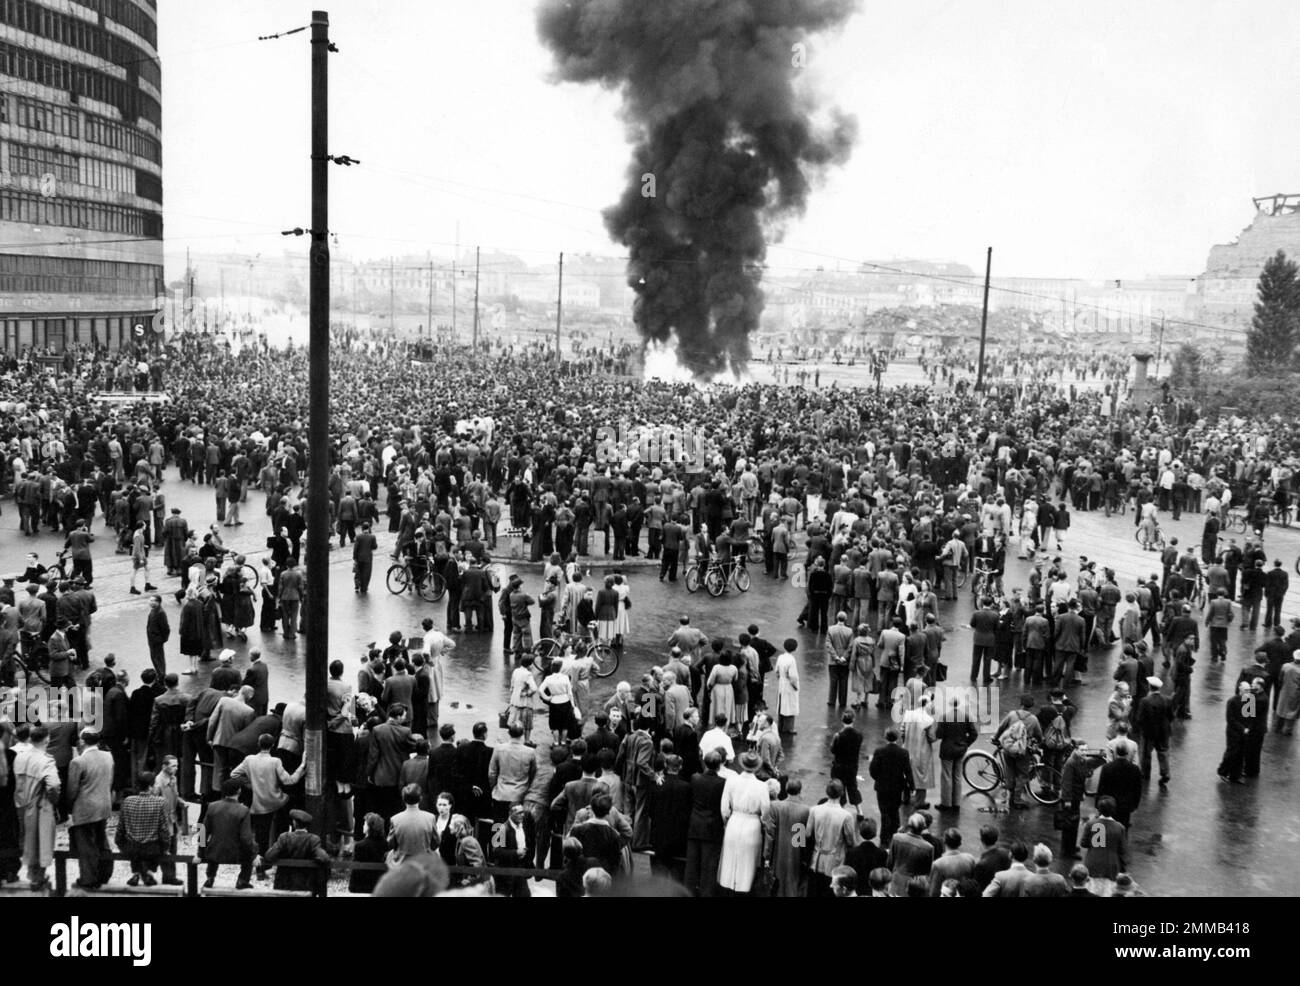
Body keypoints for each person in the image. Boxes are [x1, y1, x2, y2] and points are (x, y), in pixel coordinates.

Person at [67, 729, 115, 889]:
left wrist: (69, 807)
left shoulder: (78, 762)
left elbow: (72, 790)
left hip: (85, 808)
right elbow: (110, 780)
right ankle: (104, 874)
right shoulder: (108, 756)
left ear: (82, 741)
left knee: (86, 846)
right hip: (104, 805)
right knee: (102, 841)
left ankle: (88, 879)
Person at [717, 751, 770, 894]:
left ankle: (727, 886)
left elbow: (724, 808)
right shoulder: (762, 786)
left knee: (730, 856)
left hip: (734, 820)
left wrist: (726, 821)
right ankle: (744, 888)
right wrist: (763, 823)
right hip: (752, 823)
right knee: (748, 861)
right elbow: (766, 810)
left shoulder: (731, 781)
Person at [115, 772, 172, 887]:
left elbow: (121, 828)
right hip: (152, 848)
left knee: (135, 846)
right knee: (155, 846)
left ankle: (136, 873)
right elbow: (164, 830)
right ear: (150, 787)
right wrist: (166, 847)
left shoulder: (127, 801)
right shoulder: (160, 802)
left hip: (131, 847)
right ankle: (149, 873)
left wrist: (121, 845)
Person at [806, 779, 861, 897]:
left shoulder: (814, 809)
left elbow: (807, 834)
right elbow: (851, 841)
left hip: (816, 859)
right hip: (835, 861)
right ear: (842, 793)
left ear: (827, 792)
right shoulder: (846, 816)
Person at [201, 778, 259, 889]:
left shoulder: (212, 806)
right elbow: (246, 838)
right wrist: (254, 855)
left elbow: (203, 831)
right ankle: (242, 880)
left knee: (215, 844)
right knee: (251, 848)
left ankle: (210, 877)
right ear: (239, 791)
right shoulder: (243, 810)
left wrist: (199, 853)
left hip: (214, 852)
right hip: (235, 853)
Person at [684, 749, 727, 897]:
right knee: (708, 869)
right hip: (712, 828)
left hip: (695, 825)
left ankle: (688, 892)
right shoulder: (722, 783)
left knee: (691, 866)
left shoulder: (695, 778)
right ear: (719, 765)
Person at [264, 808, 331, 894]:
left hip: (284, 884)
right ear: (307, 825)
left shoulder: (284, 837)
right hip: (306, 884)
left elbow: (269, 856)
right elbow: (324, 858)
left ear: (294, 823)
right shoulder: (313, 839)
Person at [868, 728, 913, 846]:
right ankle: (895, 836)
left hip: (882, 787)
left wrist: (878, 778)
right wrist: (911, 786)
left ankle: (884, 839)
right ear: (897, 738)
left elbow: (873, 770)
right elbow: (908, 771)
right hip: (897, 787)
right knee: (894, 811)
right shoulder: (903, 752)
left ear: (886, 737)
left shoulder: (879, 751)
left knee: (884, 812)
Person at [1079, 796, 1128, 896]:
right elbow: (1122, 850)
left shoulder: (1091, 824)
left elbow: (1083, 843)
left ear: (1099, 809)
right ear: (1113, 810)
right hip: (1111, 865)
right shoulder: (1120, 827)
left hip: (1092, 863)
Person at [1134, 676, 1173, 783]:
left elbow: (1139, 718)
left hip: (1149, 733)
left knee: (1146, 754)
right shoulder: (1167, 700)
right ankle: (1165, 773)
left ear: (1149, 687)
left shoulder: (1145, 701)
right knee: (1163, 753)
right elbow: (1171, 716)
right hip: (1164, 732)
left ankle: (1145, 774)